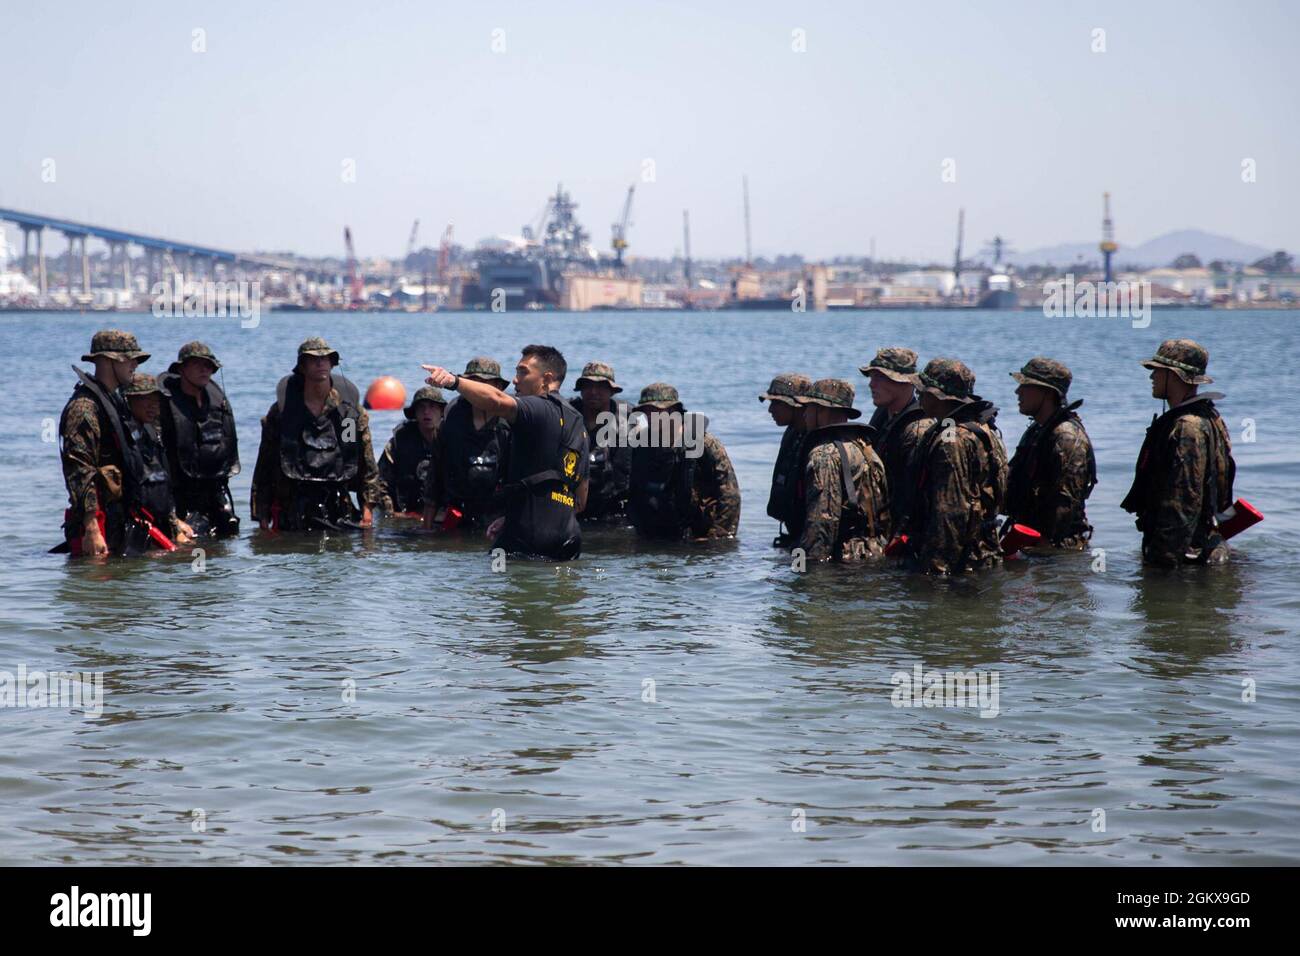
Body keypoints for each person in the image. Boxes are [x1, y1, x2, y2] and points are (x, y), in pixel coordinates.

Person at [422, 345, 589, 560]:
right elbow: (581, 499)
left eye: (523, 371)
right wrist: (518, 515)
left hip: (527, 539)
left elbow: (496, 401)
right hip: (568, 539)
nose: (515, 380)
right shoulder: (578, 422)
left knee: (489, 590)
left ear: (546, 379)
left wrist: (453, 381)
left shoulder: (537, 408)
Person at [1121, 339, 1235, 567]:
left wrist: (1163, 563)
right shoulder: (1208, 416)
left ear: (1174, 376)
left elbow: (1184, 501)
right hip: (1196, 548)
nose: (1151, 377)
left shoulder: (1187, 427)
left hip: (1185, 557)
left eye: (1157, 371)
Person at [250, 337, 380, 531]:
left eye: (326, 359)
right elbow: (265, 465)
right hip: (294, 507)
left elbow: (362, 460)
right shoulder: (284, 412)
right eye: (313, 359)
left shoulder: (346, 415)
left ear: (332, 364)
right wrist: (262, 514)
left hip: (338, 507)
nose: (321, 363)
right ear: (302, 367)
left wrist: (367, 510)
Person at [902, 358, 1008, 574]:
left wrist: (937, 572)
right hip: (982, 554)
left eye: (924, 390)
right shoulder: (981, 428)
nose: (918, 395)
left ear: (939, 396)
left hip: (961, 562)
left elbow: (950, 512)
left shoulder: (952, 441)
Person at [58, 329, 149, 556]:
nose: (135, 365)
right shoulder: (84, 408)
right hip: (97, 525)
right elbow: (80, 469)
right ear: (109, 361)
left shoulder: (114, 401)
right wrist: (92, 528)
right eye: (129, 359)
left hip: (117, 519)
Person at [626, 383, 741, 540]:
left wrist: (718, 537)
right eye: (646, 411)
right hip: (655, 533)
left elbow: (729, 495)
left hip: (698, 534)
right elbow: (634, 488)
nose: (651, 416)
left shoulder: (704, 443)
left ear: (674, 411)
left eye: (657, 411)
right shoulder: (640, 442)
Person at [1004, 357, 1096, 549]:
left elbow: (1064, 505)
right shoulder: (1037, 431)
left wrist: (1040, 547)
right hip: (1032, 539)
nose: (1017, 391)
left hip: (1057, 548)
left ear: (1046, 392)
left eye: (1025, 386)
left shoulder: (1066, 437)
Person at [793, 378, 889, 561]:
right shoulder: (865, 447)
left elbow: (822, 522)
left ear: (823, 410)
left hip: (844, 559)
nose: (804, 415)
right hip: (873, 552)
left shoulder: (824, 454)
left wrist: (806, 569)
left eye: (809, 408)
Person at [158, 341, 240, 538]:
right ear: (182, 368)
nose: (205, 370)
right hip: (182, 492)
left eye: (209, 366)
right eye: (198, 364)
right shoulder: (167, 404)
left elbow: (228, 445)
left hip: (214, 489)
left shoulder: (216, 400)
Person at [430, 357, 512, 531]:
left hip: (497, 512)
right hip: (457, 510)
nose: (479, 390)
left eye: (486, 384)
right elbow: (435, 472)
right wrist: (428, 522)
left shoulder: (510, 420)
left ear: (498, 387)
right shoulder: (452, 418)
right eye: (474, 383)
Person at [860, 347, 933, 536]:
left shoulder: (918, 429)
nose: (871, 384)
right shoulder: (884, 416)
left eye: (880, 377)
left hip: (903, 534)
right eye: (871, 377)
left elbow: (914, 498)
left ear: (905, 382)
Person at [120, 374, 195, 550]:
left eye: (156, 400)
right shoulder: (122, 436)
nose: (153, 406)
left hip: (158, 523)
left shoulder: (152, 433)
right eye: (146, 399)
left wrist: (175, 524)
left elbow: (162, 487)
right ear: (129, 399)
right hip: (134, 526)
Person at [570, 361, 633, 525]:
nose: (593, 392)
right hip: (571, 506)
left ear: (612, 391)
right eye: (587, 386)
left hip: (615, 510)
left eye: (601, 387)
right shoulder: (566, 413)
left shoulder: (630, 418)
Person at [759, 372, 813, 546]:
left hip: (809, 538)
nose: (770, 410)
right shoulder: (793, 432)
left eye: (776, 403)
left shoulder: (815, 439)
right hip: (795, 533)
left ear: (796, 405)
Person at [378, 386, 446, 516]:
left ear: (442, 411)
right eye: (421, 407)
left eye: (432, 406)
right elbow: (381, 482)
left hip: (441, 515)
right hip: (405, 515)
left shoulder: (451, 440)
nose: (426, 412)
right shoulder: (399, 442)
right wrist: (392, 513)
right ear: (415, 413)